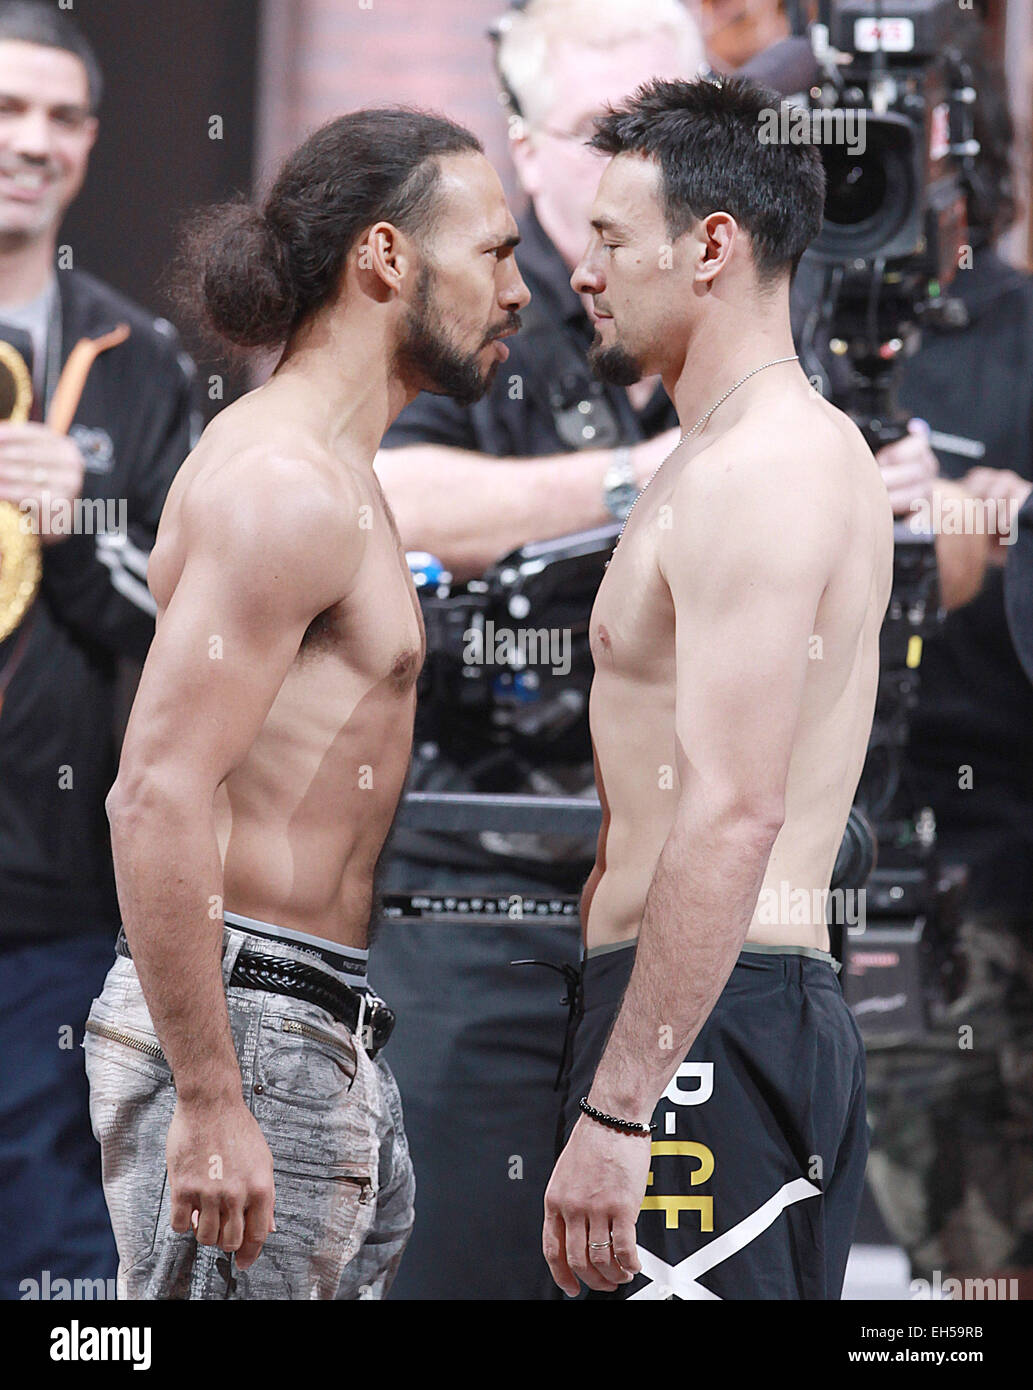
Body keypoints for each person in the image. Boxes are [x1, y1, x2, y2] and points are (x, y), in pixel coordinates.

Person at [84, 107, 529, 1300]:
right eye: (494, 252)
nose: (520, 289)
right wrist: (212, 1096)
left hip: (313, 1014)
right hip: (251, 1018)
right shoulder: (286, 485)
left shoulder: (338, 475)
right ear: (385, 257)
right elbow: (152, 792)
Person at [368, 0, 707, 1303]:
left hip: (700, 897)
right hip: (478, 886)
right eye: (612, 132)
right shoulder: (456, 298)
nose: (650, 171)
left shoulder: (767, 304)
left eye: (674, 128)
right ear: (522, 141)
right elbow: (388, 499)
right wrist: (642, 477)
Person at [542, 74, 893, 1301]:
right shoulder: (723, 456)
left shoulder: (765, 468)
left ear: (710, 246)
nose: (581, 271)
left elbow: (735, 808)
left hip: (704, 1029)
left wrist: (625, 1105)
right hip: (691, 1015)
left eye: (606, 239)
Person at [0, 1, 196, 1301]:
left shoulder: (142, 361)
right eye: (8, 109)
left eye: (63, 117)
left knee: (59, 1255)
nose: (35, 142)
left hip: (54, 904)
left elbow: (187, 629)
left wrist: (81, 529)